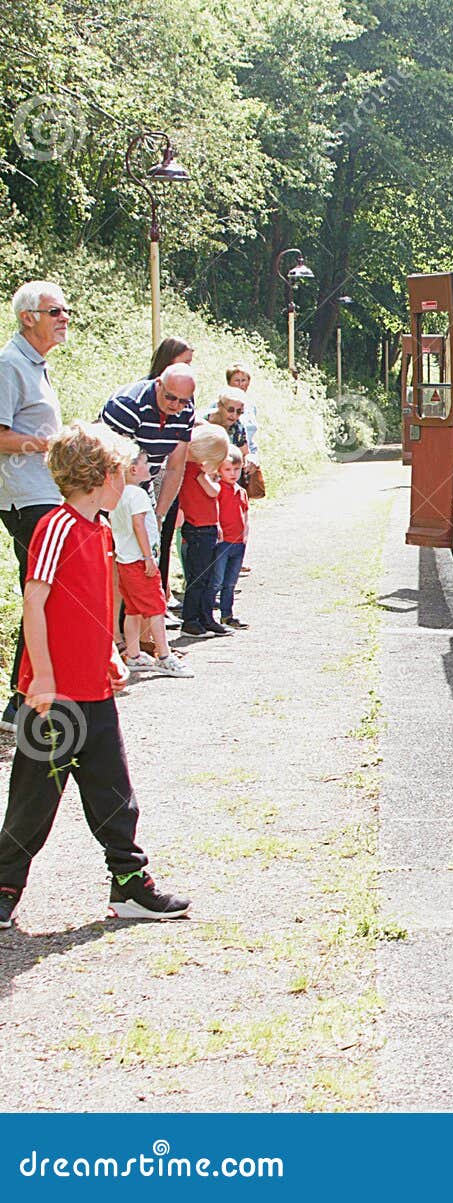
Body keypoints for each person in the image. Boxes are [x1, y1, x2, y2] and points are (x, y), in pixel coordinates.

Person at [0, 421, 190, 929]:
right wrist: (40, 678)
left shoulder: (101, 529)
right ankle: (3, 887)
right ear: (103, 475)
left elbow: (91, 603)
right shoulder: (56, 526)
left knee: (114, 792)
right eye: (124, 472)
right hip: (54, 697)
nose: (128, 480)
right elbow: (34, 603)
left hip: (95, 691)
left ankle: (130, 883)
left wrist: (108, 649)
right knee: (32, 802)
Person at [0, 281, 70, 735]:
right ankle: (20, 705)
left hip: (44, 491)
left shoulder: (36, 365)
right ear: (28, 317)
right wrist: (50, 444)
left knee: (51, 593)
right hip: (24, 496)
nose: (65, 318)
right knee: (42, 594)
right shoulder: (9, 365)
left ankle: (33, 697)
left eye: (66, 311)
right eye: (55, 311)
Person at [99, 362, 197, 592]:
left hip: (143, 483)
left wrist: (159, 515)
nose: (177, 406)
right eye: (171, 398)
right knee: (116, 557)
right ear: (158, 384)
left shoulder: (185, 410)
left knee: (145, 558)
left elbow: (175, 467)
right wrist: (125, 515)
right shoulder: (127, 406)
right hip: (110, 486)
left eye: (184, 401)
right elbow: (111, 463)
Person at [108, 449, 190, 676]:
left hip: (124, 560)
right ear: (134, 469)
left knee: (133, 610)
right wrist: (148, 557)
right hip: (139, 561)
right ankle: (164, 654)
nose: (151, 468)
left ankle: (133, 654)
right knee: (156, 608)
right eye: (146, 464)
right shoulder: (138, 495)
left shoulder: (118, 494)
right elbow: (138, 525)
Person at [177, 423, 230, 638]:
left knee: (205, 578)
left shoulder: (190, 469)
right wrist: (214, 479)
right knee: (199, 579)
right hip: (198, 530)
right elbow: (213, 492)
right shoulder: (193, 471)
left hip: (206, 528)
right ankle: (191, 620)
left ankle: (204, 617)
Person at [212, 446, 249, 629]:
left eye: (236, 469)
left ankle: (227, 615)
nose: (233, 473)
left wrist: (245, 536)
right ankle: (207, 615)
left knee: (231, 582)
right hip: (223, 542)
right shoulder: (218, 489)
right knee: (216, 581)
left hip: (238, 542)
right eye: (228, 469)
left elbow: (245, 514)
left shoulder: (241, 491)